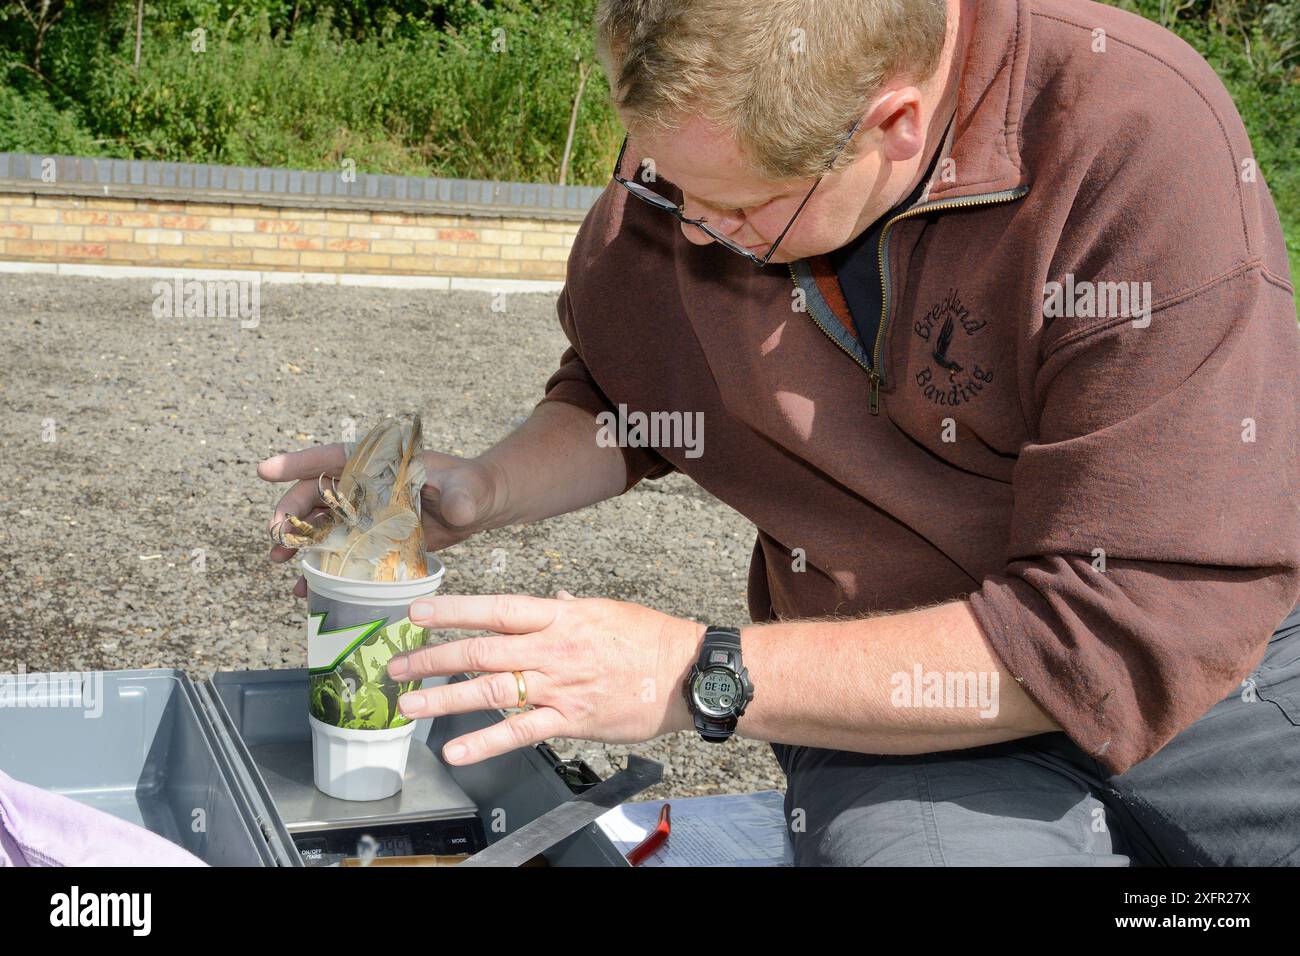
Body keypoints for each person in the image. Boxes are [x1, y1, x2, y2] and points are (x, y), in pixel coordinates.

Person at [259, 0, 1300, 865]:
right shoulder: (704, 146)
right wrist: (483, 486)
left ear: (893, 123)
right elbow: (628, 388)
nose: (686, 224)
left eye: (737, 210)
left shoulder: (1130, 137)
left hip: (1214, 668)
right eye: (665, 186)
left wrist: (693, 670)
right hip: (894, 699)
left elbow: (1121, 628)